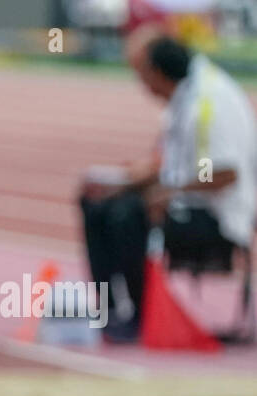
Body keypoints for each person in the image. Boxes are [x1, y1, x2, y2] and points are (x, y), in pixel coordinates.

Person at [80, 26, 257, 342]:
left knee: (128, 215)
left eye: (141, 76)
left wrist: (169, 192)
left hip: (217, 218)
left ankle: (139, 313)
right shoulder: (184, 96)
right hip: (187, 202)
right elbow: (174, 164)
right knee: (96, 202)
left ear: (157, 72)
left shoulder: (210, 102)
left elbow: (224, 173)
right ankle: (108, 311)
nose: (142, 86)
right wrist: (123, 182)